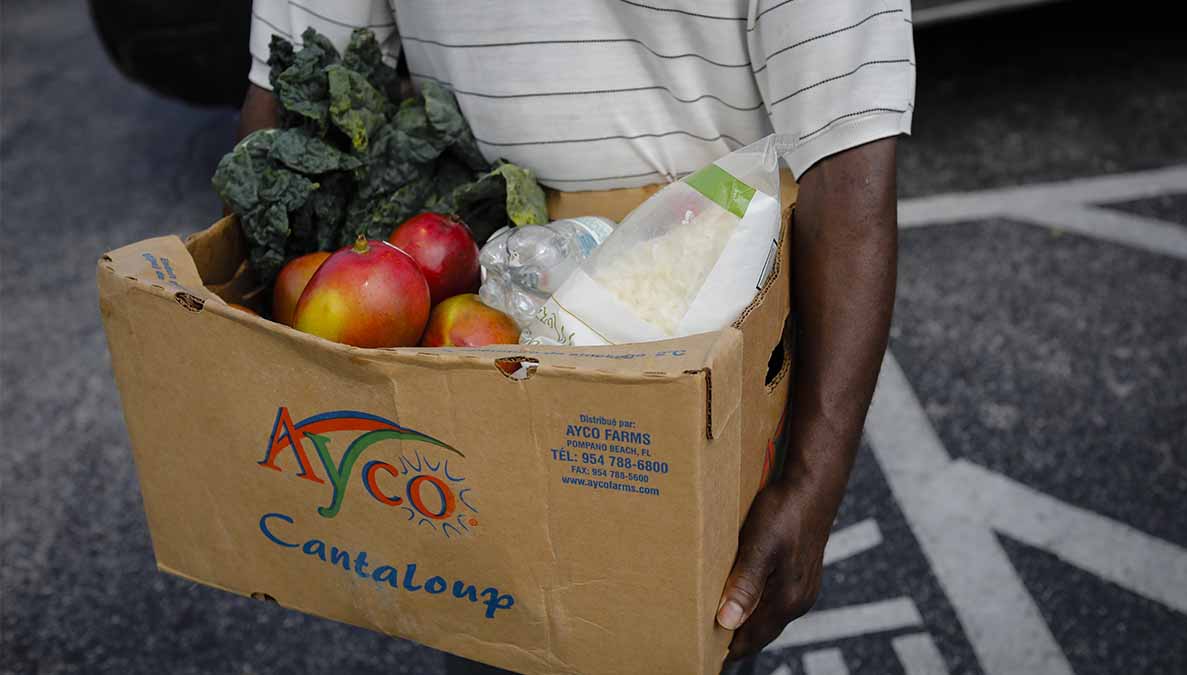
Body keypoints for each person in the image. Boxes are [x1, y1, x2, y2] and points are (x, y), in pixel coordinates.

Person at [237, 2, 915, 673]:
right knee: (494, 624)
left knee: (665, 639)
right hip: (468, 335)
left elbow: (849, 161)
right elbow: (290, 93)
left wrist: (811, 488)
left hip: (698, 328)